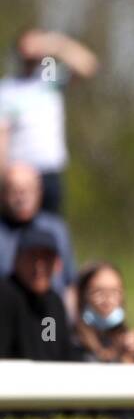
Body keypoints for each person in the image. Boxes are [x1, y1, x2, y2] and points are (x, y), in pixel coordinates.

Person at [0, 29, 98, 214]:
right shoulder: (7, 90)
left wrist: (55, 44)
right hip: (18, 176)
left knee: (48, 231)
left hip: (49, 173)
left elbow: (88, 66)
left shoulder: (49, 80)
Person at [71, 261, 134, 419]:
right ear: (83, 295)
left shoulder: (129, 339)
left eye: (115, 292)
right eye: (99, 292)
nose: (108, 299)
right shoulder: (68, 338)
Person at [0, 224, 78, 362]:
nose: (39, 267)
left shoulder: (53, 302)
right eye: (32, 257)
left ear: (58, 264)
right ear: (16, 260)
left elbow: (56, 353)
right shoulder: (5, 295)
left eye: (46, 258)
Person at [0, 161, 76, 297]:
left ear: (39, 192)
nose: (21, 197)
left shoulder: (56, 229)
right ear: (3, 195)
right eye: (14, 190)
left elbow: (70, 282)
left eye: (27, 190)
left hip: (48, 311)